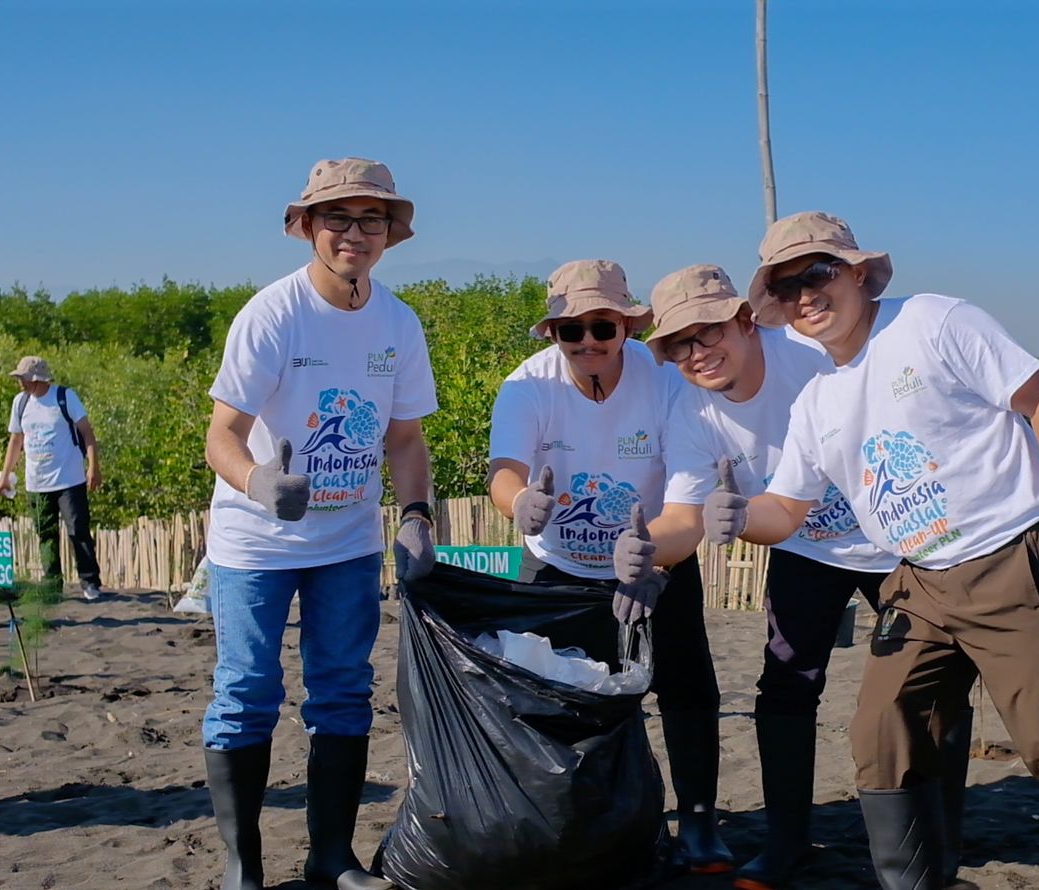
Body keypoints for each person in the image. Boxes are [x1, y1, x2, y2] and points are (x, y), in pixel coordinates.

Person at [706, 212, 1039, 889]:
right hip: (920, 584)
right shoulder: (818, 401)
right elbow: (785, 510)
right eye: (786, 288)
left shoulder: (934, 323)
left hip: (1014, 557)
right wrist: (735, 516)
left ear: (856, 272)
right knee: (883, 730)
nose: (806, 296)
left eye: (817, 274)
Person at [615, 264, 973, 890]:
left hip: (901, 538)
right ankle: (786, 842)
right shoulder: (690, 411)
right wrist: (645, 548)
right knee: (785, 684)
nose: (698, 354)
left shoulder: (811, 353)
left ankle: (942, 832)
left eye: (710, 333)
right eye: (679, 344)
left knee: (937, 684)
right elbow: (684, 516)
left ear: (746, 321)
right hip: (805, 544)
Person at [202, 156, 436, 890]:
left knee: (341, 689)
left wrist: (417, 515)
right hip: (255, 543)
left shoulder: (398, 322)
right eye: (337, 217)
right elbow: (221, 434)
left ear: (389, 235)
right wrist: (259, 483)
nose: (354, 234)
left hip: (348, 543)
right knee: (247, 692)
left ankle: (331, 859)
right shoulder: (272, 314)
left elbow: (404, 438)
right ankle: (244, 868)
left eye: (371, 219)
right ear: (307, 227)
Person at [486, 259, 734, 875]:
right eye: (573, 331)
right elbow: (504, 470)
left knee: (686, 688)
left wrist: (655, 558)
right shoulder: (526, 386)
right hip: (557, 563)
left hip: (656, 557)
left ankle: (699, 820)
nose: (589, 342)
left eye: (604, 327)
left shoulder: (668, 382)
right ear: (552, 334)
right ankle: (579, 816)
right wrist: (521, 502)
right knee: (555, 696)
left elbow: (687, 496)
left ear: (627, 325)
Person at [0, 356, 105, 601]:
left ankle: (90, 581)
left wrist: (93, 467)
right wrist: (5, 475)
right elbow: (16, 440)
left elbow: (87, 432)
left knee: (78, 530)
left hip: (70, 480)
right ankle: (52, 583)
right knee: (45, 532)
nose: (20, 383)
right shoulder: (20, 403)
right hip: (37, 482)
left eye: (23, 378)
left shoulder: (65, 398)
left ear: (37, 379)